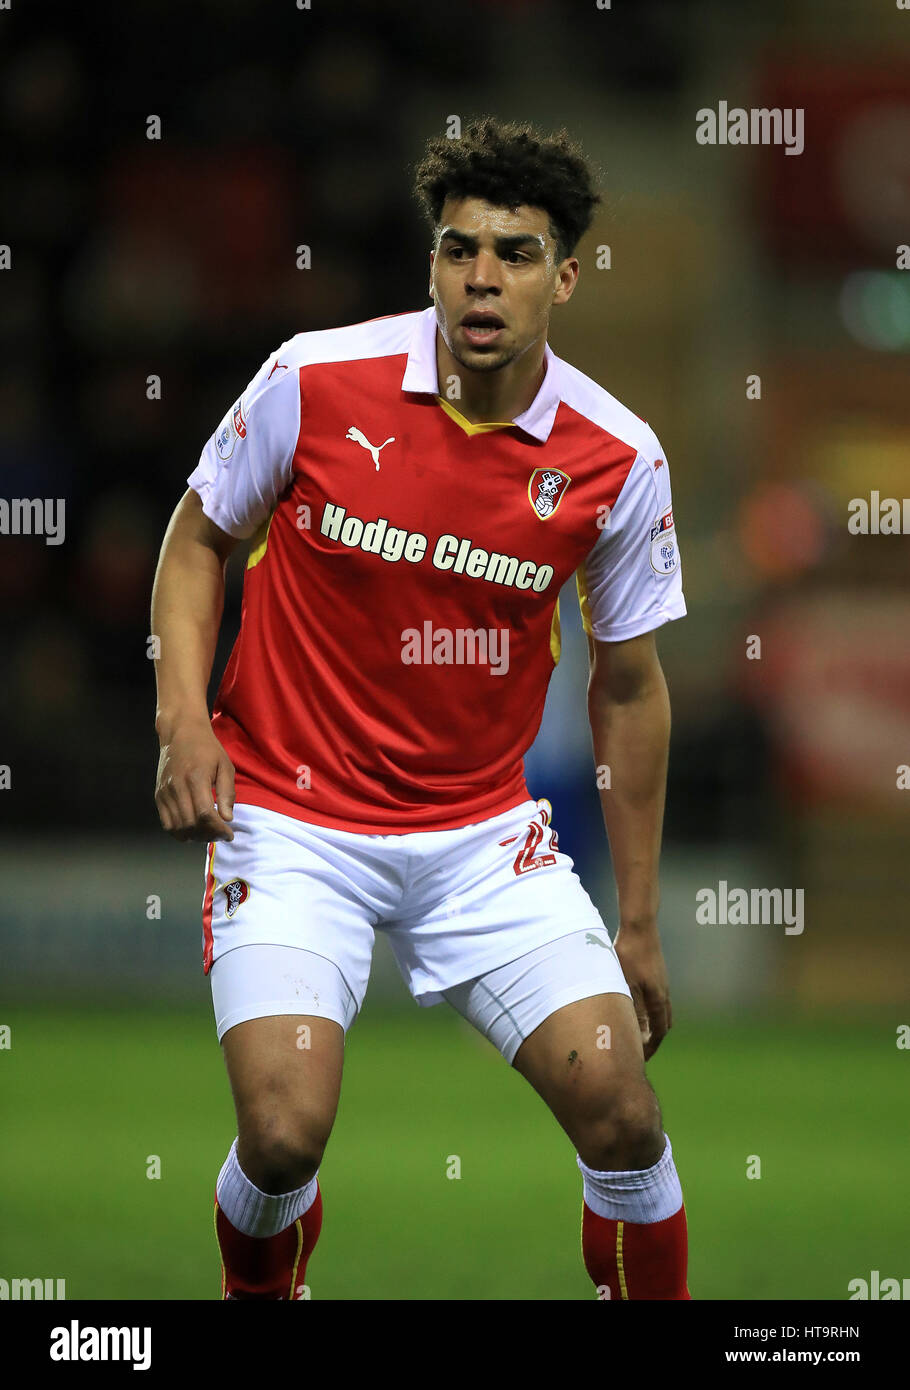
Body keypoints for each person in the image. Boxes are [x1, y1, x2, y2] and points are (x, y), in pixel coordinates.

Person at [151, 116, 689, 1300]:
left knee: (622, 1112)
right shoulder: (311, 380)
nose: (481, 278)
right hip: (289, 820)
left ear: (567, 275)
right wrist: (184, 720)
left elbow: (630, 683)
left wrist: (637, 918)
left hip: (482, 837)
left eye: (514, 252)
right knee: (284, 1131)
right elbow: (198, 539)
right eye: (457, 250)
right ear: (432, 263)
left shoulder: (616, 458)